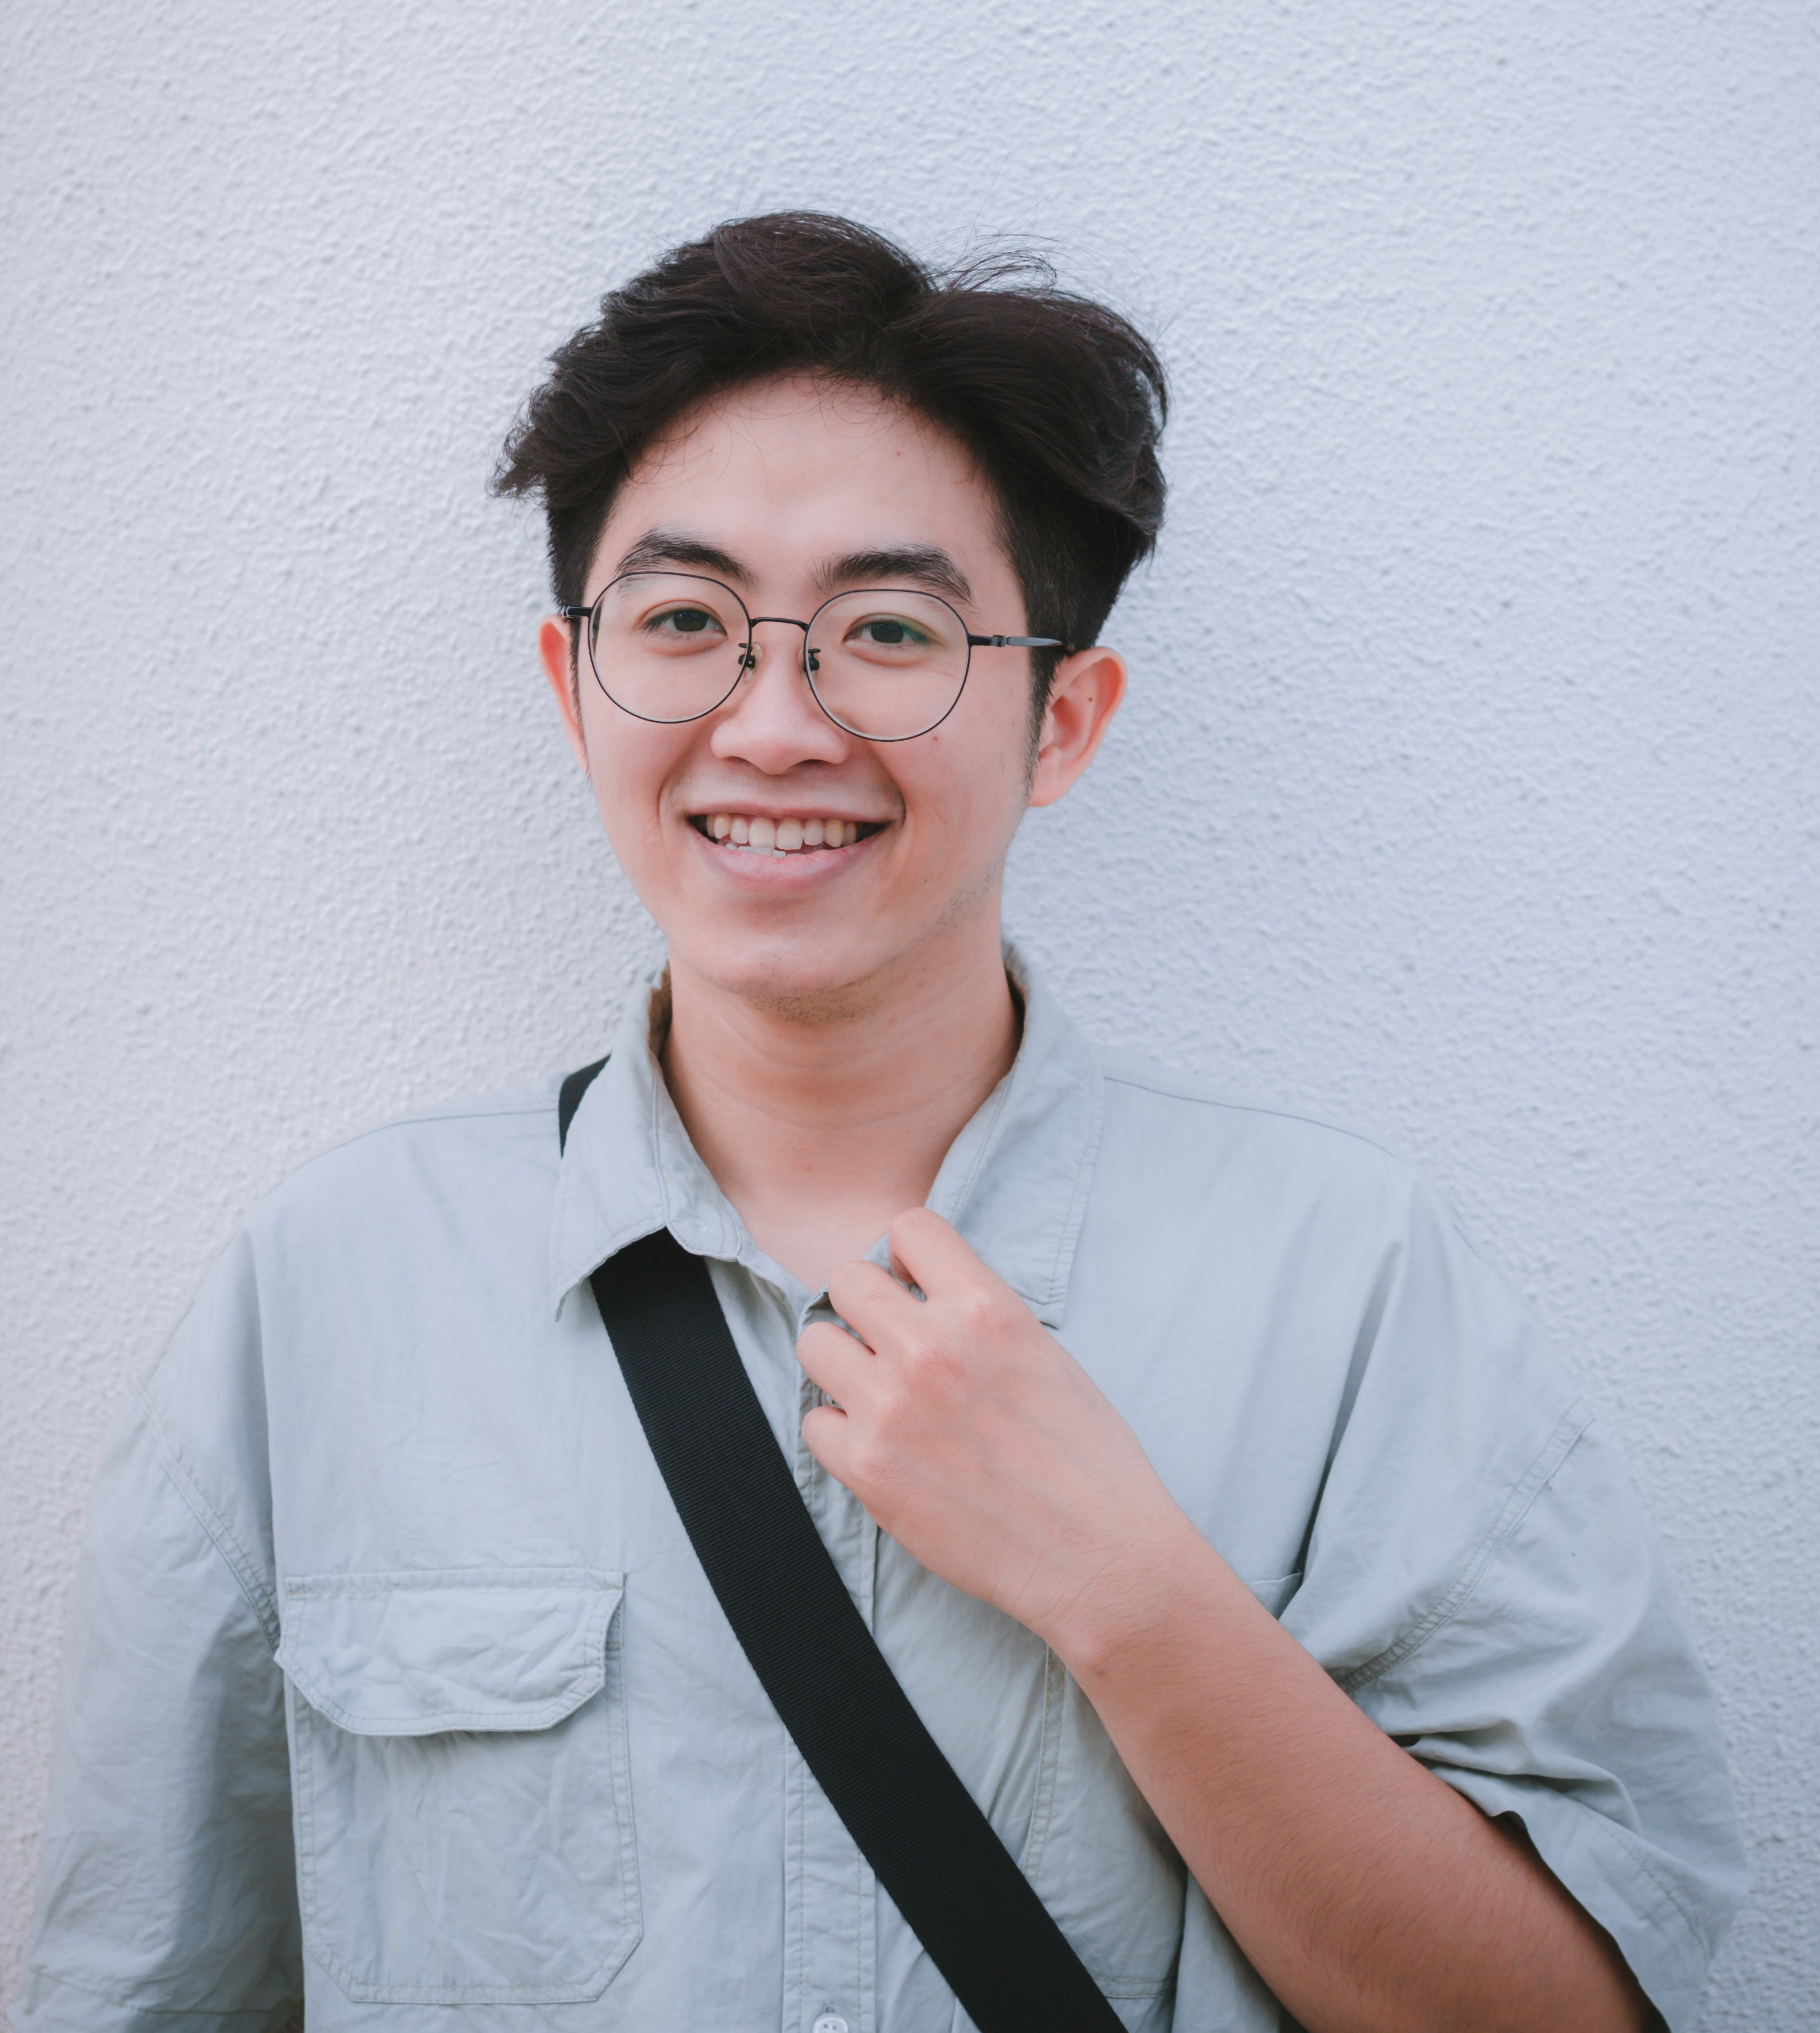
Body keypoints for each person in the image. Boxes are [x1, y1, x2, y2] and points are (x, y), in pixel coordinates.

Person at [17, 215, 1743, 2033]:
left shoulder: (1352, 1281)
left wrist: (1135, 1599)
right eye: (683, 623)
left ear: (1061, 720)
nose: (773, 725)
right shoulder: (331, 1290)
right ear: (570, 683)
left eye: (889, 631)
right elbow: (140, 1989)